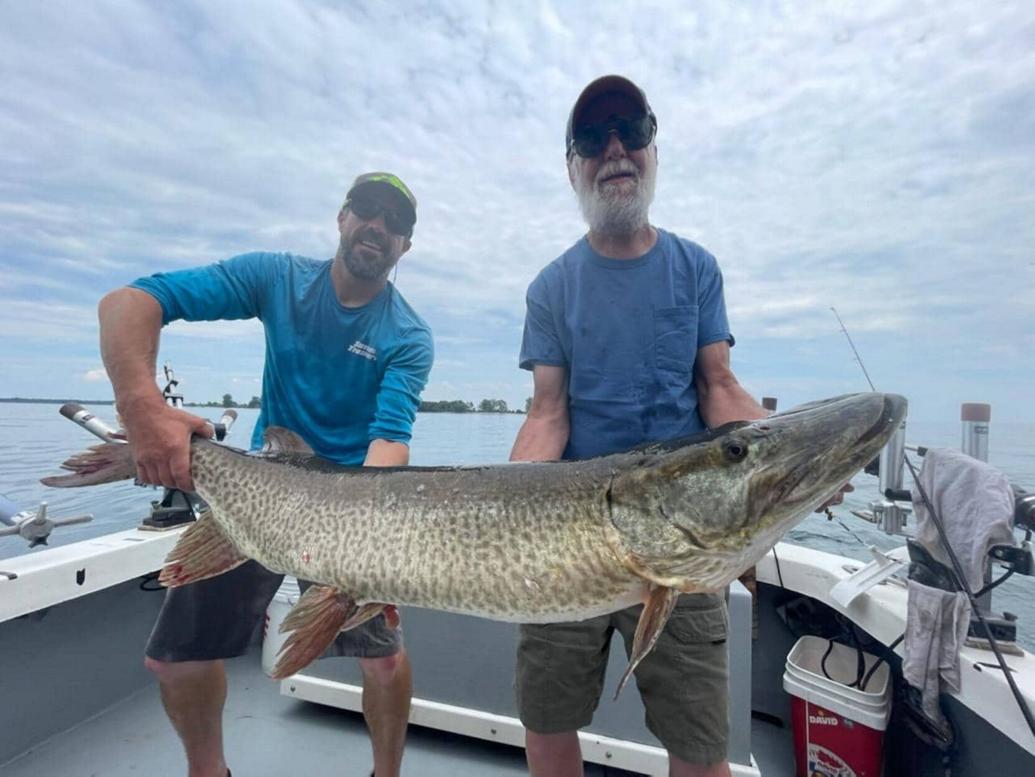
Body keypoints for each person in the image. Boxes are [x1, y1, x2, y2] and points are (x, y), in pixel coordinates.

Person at [98, 172, 433, 777]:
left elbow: (389, 441)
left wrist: (370, 534)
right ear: (342, 216)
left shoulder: (408, 336)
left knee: (382, 656)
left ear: (405, 245)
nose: (378, 226)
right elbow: (131, 301)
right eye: (367, 208)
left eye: (396, 222)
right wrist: (143, 410)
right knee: (174, 658)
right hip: (261, 485)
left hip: (350, 508)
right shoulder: (278, 278)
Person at [510, 75, 770, 777]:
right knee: (547, 720)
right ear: (573, 166)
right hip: (569, 541)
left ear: (653, 147)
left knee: (698, 741)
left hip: (682, 543)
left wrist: (780, 453)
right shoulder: (551, 286)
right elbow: (547, 414)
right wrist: (510, 509)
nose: (615, 149)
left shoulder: (695, 269)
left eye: (631, 129)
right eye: (593, 139)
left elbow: (717, 387)